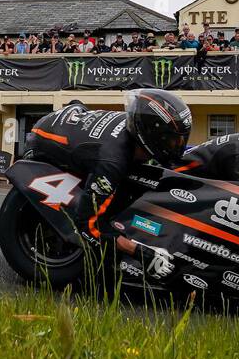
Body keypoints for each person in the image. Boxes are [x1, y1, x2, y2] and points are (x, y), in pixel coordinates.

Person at [25, 89, 194, 282]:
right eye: (173, 140)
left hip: (73, 116)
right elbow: (87, 225)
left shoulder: (134, 127)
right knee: (102, 211)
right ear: (152, 134)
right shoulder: (112, 163)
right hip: (43, 137)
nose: (178, 146)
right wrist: (140, 252)